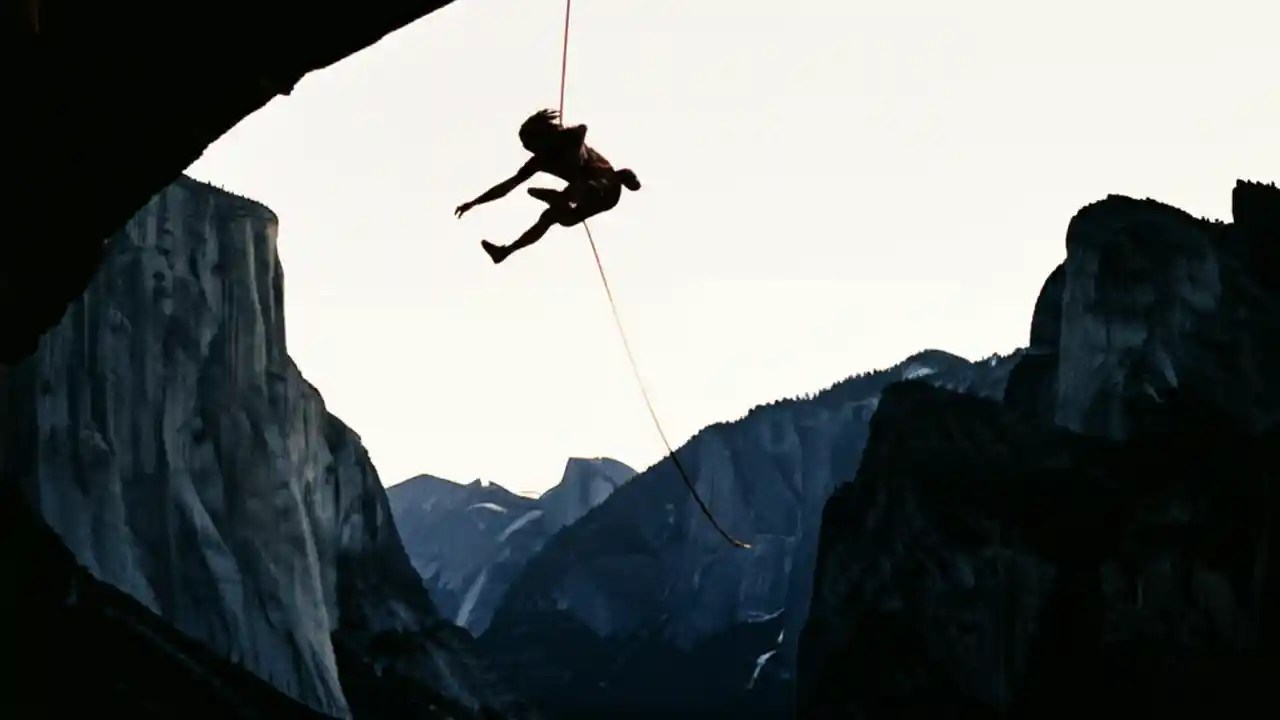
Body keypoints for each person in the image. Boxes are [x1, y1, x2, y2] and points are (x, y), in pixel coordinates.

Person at [454, 109, 641, 264]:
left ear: (542, 139)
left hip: (606, 191)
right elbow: (507, 186)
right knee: (550, 217)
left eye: (529, 144)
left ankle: (560, 198)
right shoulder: (539, 161)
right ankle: (504, 252)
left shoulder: (569, 140)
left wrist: (568, 138)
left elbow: (582, 129)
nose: (527, 148)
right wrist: (474, 202)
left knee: (583, 184)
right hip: (582, 195)